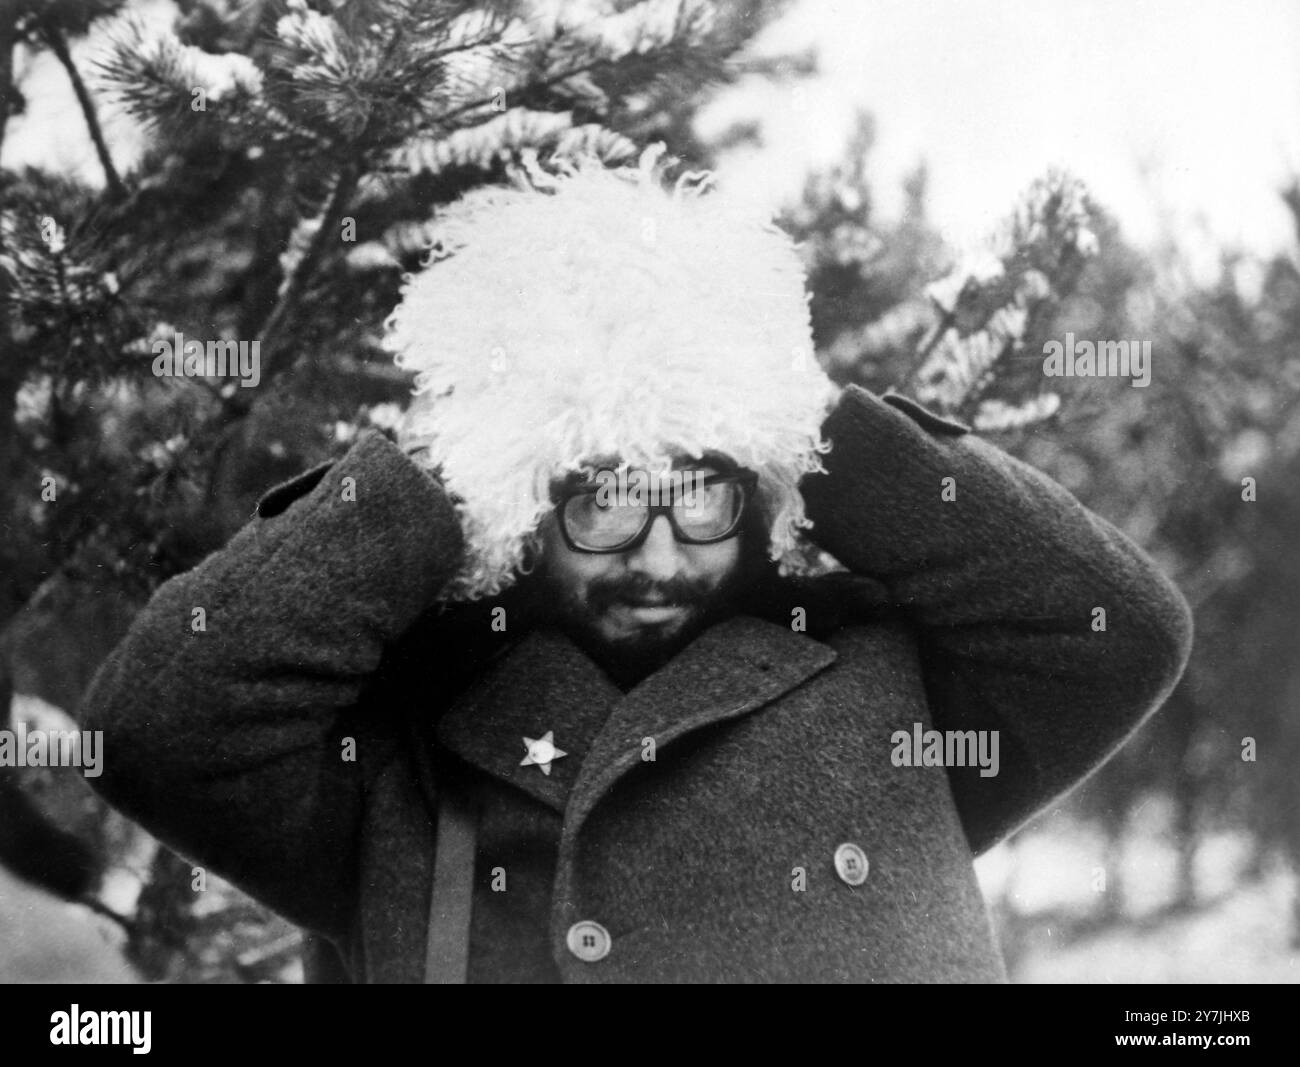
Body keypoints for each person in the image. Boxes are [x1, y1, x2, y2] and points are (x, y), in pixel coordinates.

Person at [80, 149, 1193, 983]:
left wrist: (813, 428)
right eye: (604, 503)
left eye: (704, 499)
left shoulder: (883, 688)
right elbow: (156, 729)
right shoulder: (398, 752)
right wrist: (439, 473)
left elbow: (1118, 630)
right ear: (517, 508)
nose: (661, 555)